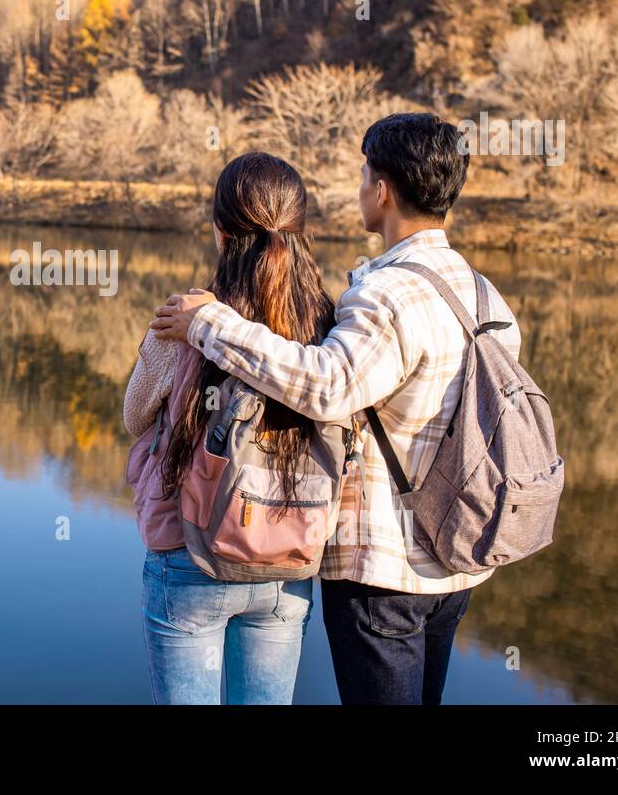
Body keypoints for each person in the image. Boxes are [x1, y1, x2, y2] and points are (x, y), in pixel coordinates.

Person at [151, 113, 522, 705]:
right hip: (460, 552)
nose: (359, 188)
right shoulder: (484, 295)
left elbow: (328, 384)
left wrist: (211, 323)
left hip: (387, 565)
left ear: (381, 189)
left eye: (363, 175)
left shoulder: (388, 294)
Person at [124, 150, 338, 704]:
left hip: (188, 552)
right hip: (286, 562)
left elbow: (135, 414)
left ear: (220, 231)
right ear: (299, 229)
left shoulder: (188, 317)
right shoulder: (331, 328)